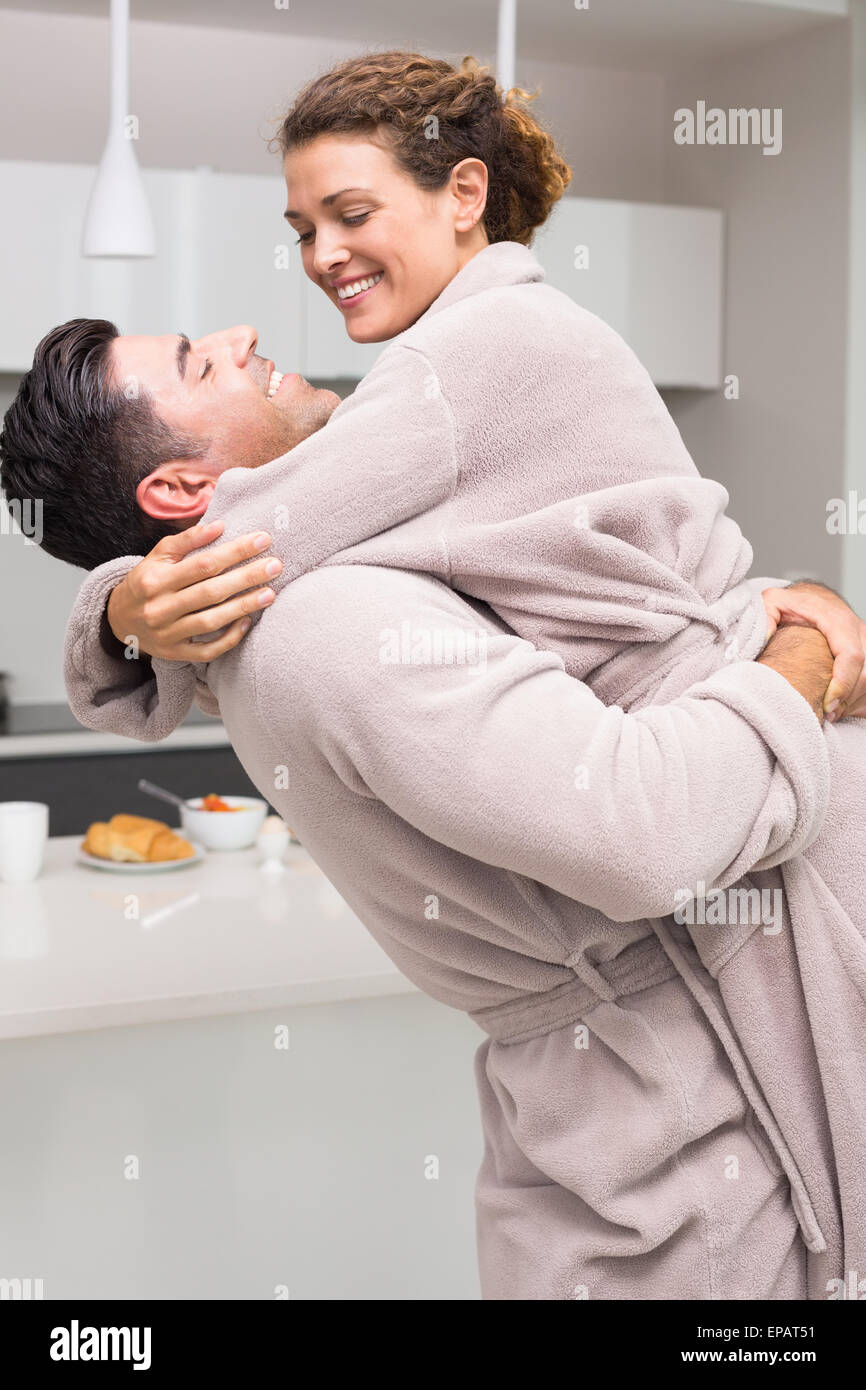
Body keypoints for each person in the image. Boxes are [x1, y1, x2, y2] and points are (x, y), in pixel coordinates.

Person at [3, 51, 866, 1299]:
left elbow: (269, 523)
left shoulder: (473, 354)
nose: (271, 301)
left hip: (740, 921)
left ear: (464, 195)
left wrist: (122, 615)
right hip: (689, 1005)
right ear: (184, 493)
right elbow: (643, 827)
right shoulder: (321, 612)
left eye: (348, 216)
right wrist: (799, 638)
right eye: (199, 357)